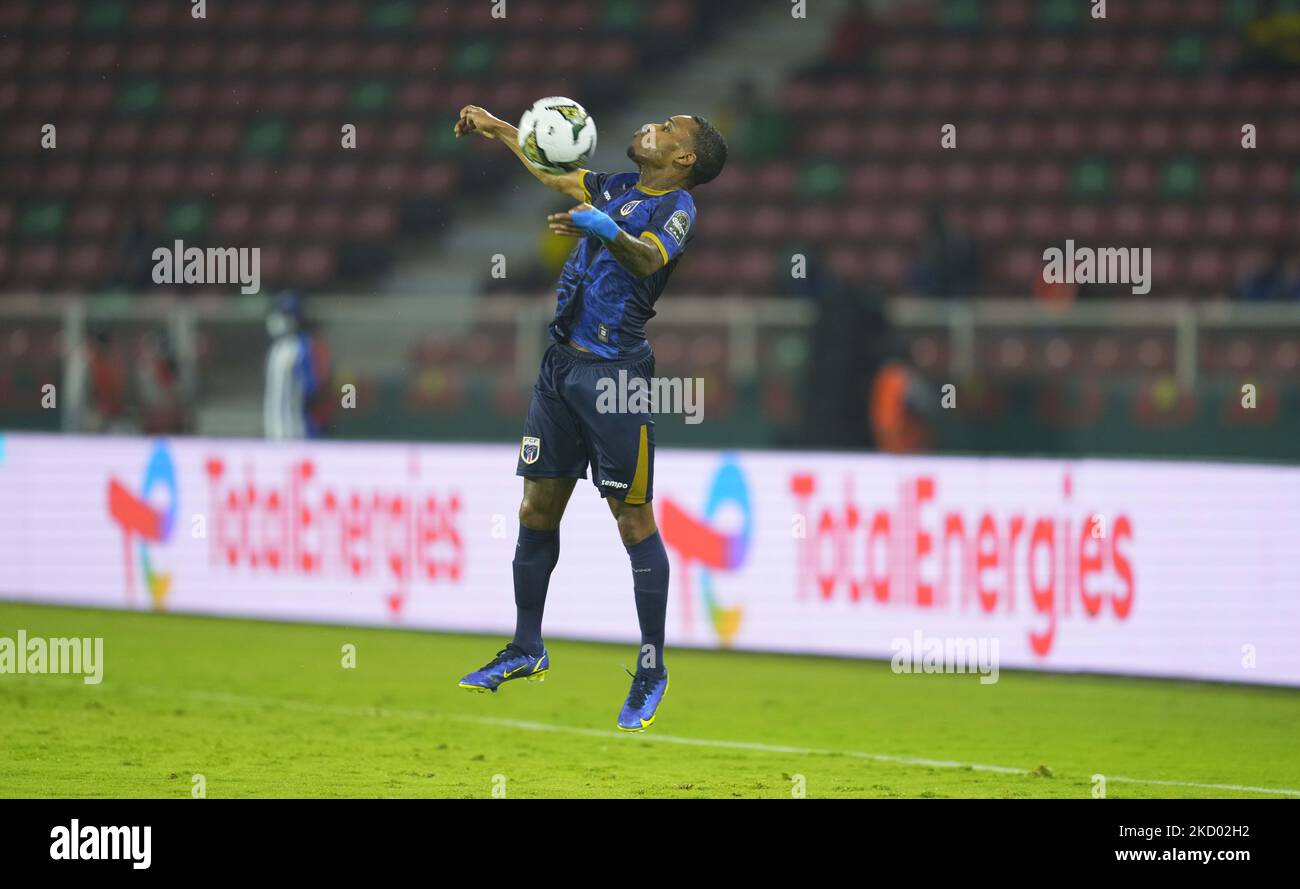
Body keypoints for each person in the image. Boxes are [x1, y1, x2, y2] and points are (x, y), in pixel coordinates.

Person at [452, 104, 727, 731]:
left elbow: (646, 260)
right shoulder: (621, 187)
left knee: (632, 519)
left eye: (668, 130)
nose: (651, 127)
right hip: (560, 368)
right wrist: (498, 128)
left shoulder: (674, 209)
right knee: (535, 510)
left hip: (615, 380)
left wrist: (603, 227)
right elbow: (558, 176)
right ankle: (527, 647)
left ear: (683, 159)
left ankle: (652, 666)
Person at [263, 291, 328, 440]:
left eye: (281, 315)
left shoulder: (301, 347)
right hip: (273, 430)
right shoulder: (276, 348)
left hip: (295, 431)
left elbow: (312, 388)